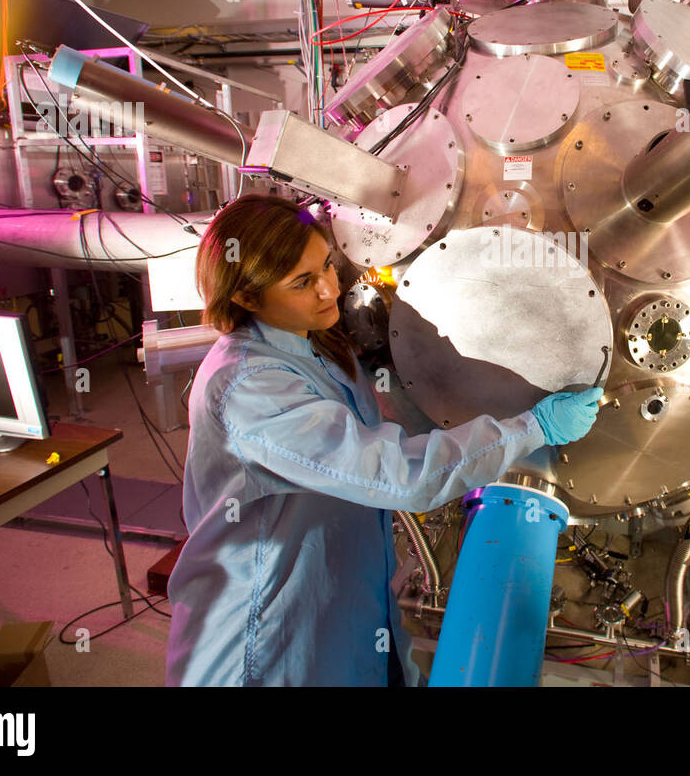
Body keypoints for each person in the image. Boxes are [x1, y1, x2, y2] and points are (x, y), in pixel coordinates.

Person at [165, 195, 602, 686]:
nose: (330, 289)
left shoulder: (315, 344)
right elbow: (395, 475)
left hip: (348, 603)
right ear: (246, 297)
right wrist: (533, 428)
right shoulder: (251, 388)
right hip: (270, 635)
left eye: (327, 266)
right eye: (302, 283)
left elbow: (382, 425)